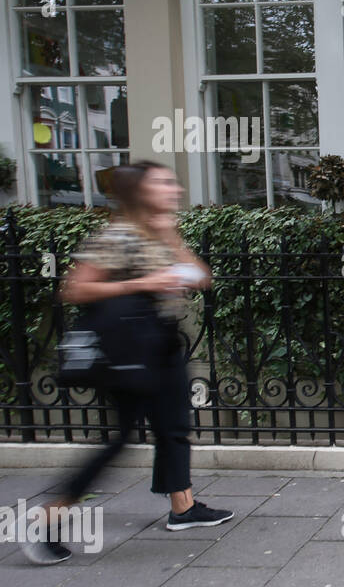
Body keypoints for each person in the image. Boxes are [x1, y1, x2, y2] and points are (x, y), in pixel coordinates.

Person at [20, 162, 234, 565]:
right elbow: (75, 288)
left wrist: (171, 239)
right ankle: (46, 520)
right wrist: (142, 283)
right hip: (132, 354)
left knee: (174, 429)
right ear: (139, 192)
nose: (174, 188)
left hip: (165, 346)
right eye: (163, 183)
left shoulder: (160, 231)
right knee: (118, 439)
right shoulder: (118, 235)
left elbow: (201, 277)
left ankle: (183, 509)